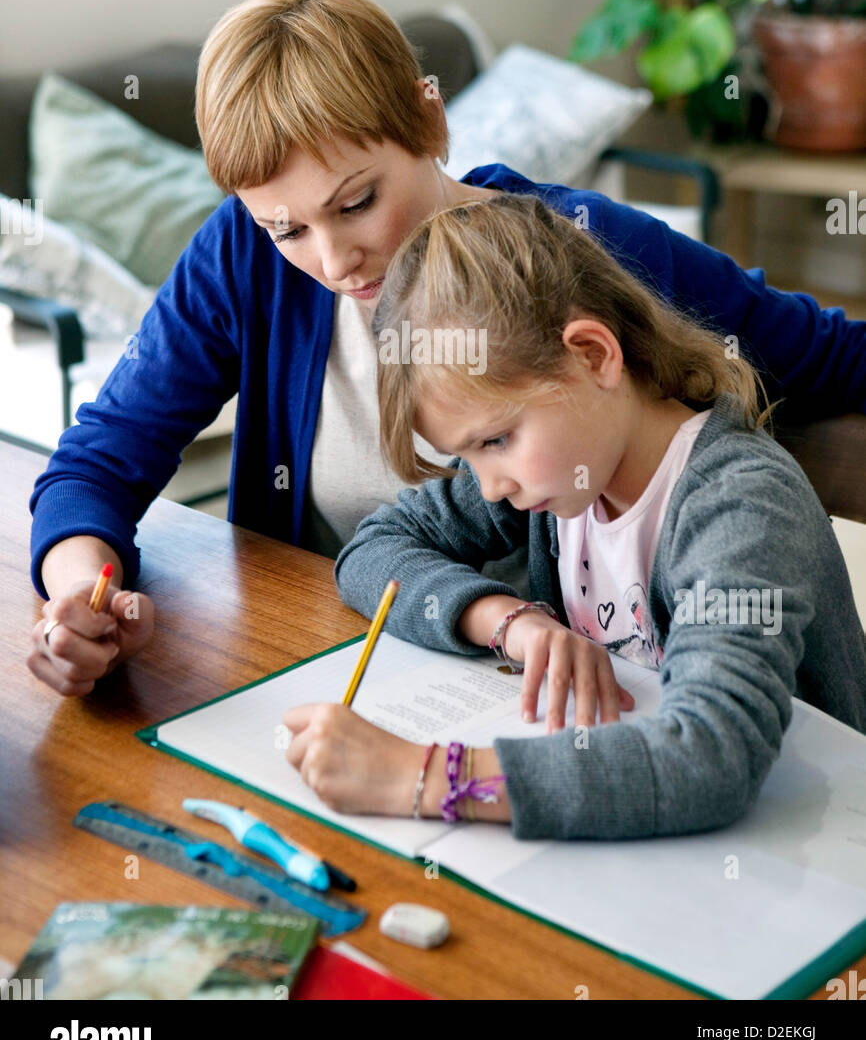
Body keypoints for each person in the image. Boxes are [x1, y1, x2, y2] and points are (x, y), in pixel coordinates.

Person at [27, 0, 866, 700]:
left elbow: (829, 356)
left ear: (429, 121)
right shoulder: (245, 256)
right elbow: (103, 455)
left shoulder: (574, 249)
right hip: (325, 656)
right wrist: (81, 599)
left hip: (546, 688)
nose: (333, 259)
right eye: (288, 228)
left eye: (357, 202)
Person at [283, 193, 866, 840]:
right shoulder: (562, 474)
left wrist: (420, 776)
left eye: (495, 440)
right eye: (466, 455)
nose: (491, 487)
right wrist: (510, 622)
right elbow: (374, 551)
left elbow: (712, 756)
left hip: (809, 853)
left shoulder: (739, 505)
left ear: (593, 355)